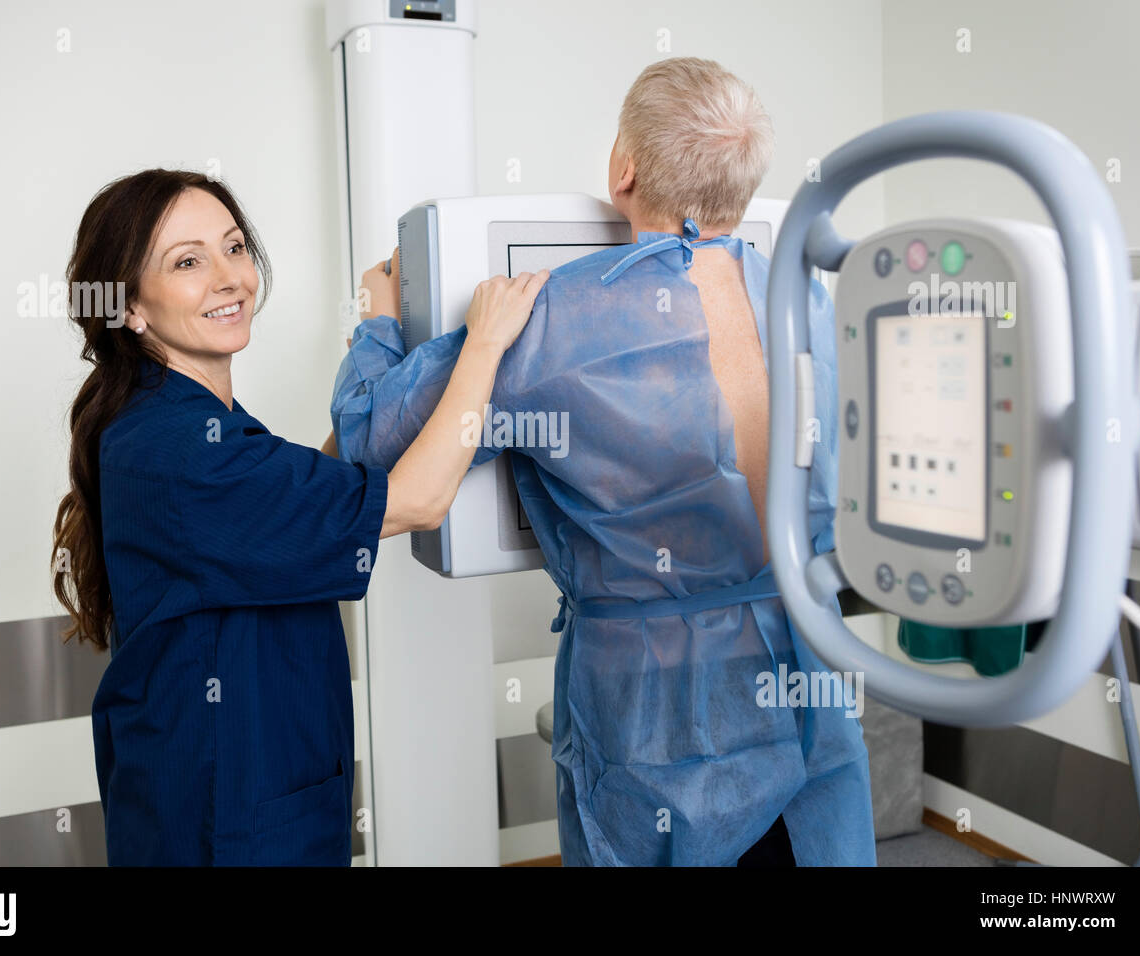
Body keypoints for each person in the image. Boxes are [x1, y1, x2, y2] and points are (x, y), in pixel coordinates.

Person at [330, 58, 877, 866]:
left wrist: (377, 314)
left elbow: (369, 438)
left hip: (657, 714)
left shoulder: (551, 314)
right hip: (809, 674)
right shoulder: (809, 299)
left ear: (623, 169)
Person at [51, 168, 547, 865]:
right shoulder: (178, 445)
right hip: (222, 816)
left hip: (237, 788)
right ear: (131, 307)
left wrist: (374, 340)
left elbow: (313, 489)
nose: (228, 277)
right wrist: (485, 345)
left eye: (233, 247)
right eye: (188, 262)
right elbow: (414, 500)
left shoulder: (188, 421)